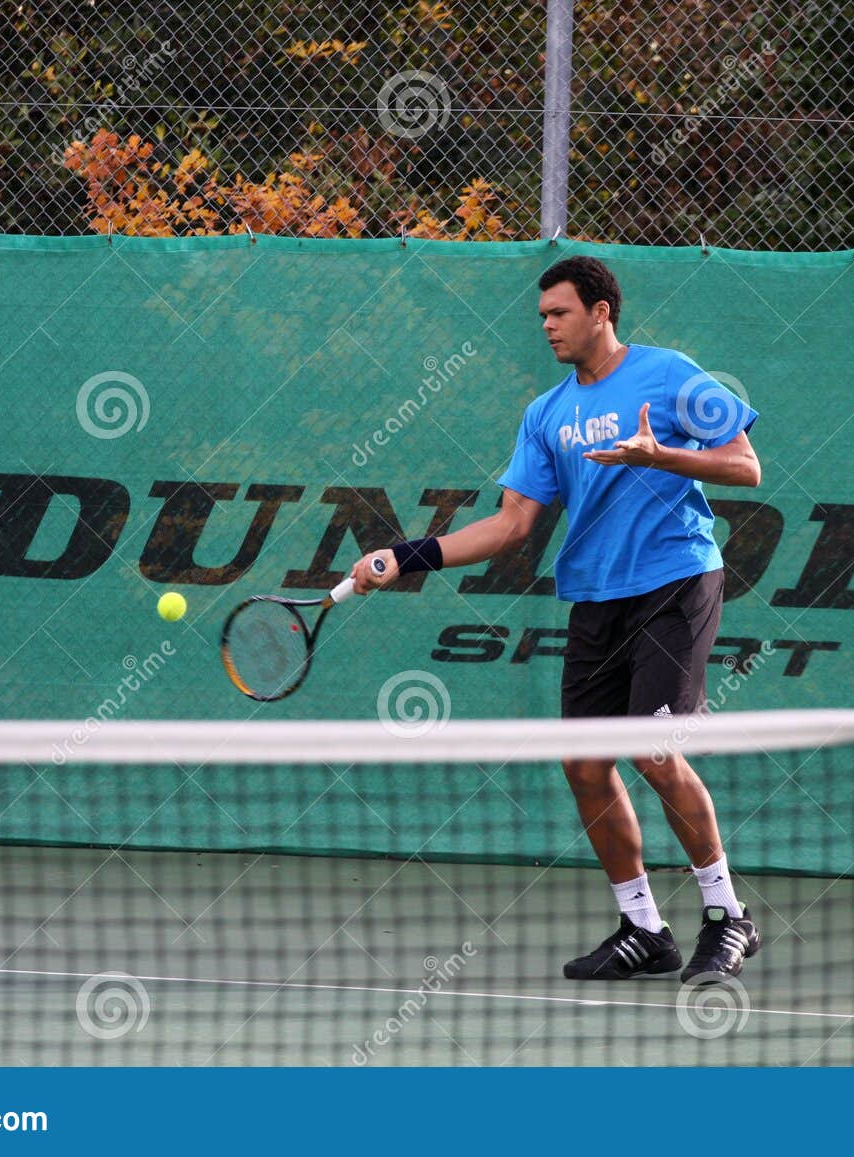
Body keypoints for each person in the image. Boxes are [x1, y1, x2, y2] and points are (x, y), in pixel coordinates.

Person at [350, 256, 763, 983]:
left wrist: (661, 454)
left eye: (559, 312)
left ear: (602, 311)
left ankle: (729, 916)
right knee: (582, 764)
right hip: (595, 597)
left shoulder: (669, 376)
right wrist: (405, 555)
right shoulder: (546, 414)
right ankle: (643, 928)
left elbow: (746, 464)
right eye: (541, 315)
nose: (546, 325)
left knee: (655, 751)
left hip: (676, 581)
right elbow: (512, 525)